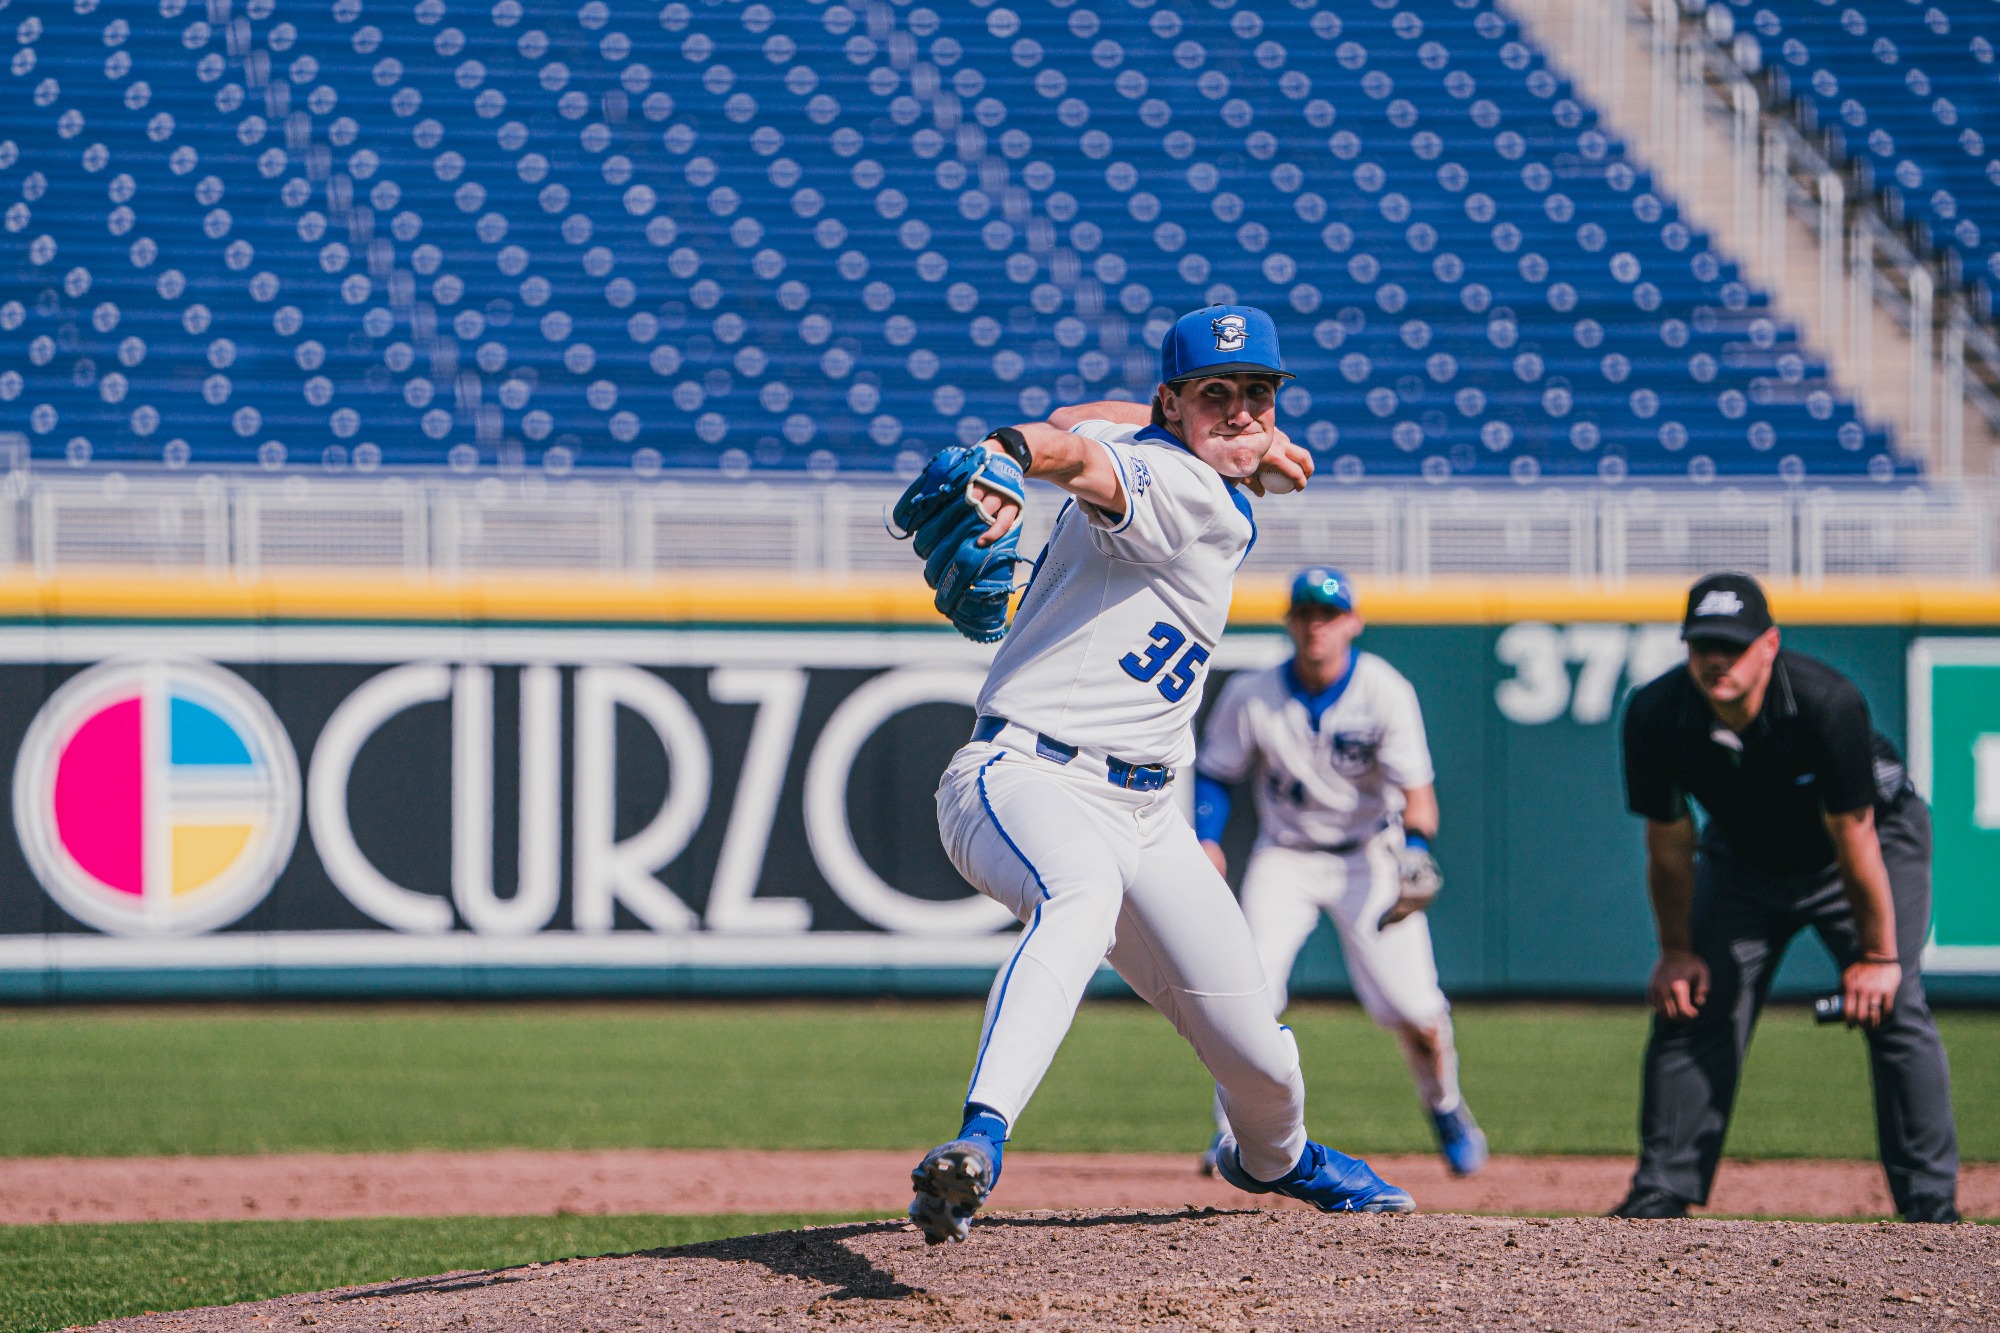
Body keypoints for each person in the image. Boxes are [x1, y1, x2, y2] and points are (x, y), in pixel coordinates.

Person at [906, 306, 1417, 1246]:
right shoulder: (1185, 491)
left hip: (1147, 815)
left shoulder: (1158, 438)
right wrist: (1018, 452)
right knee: (1080, 892)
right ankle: (980, 1141)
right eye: (1213, 395)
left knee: (1260, 1062)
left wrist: (1027, 443)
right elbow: (1080, 458)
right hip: (1022, 777)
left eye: (1255, 394)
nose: (1237, 410)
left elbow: (1083, 418)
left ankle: (1277, 1161)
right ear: (1173, 405)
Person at [1612, 572, 1960, 1223]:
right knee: (1694, 993)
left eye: (1733, 645)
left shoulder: (1826, 702)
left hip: (1866, 843)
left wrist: (1879, 955)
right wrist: (1677, 950)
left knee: (1896, 1001)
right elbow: (1667, 843)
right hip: (1745, 855)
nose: (1717, 658)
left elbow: (1856, 835)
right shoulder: (1657, 712)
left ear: (1768, 644)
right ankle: (1661, 1188)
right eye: (1703, 643)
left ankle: (1930, 1205)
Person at [1193, 567, 1488, 1178]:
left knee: (1417, 1012)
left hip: (1367, 855)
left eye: (1328, 615)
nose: (1316, 626)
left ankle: (1446, 1107)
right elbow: (1217, 772)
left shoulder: (1383, 690)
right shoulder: (1254, 692)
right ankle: (1235, 1134)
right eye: (1305, 614)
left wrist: (1413, 851)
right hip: (1287, 857)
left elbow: (1419, 794)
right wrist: (1207, 837)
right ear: (1291, 622)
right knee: (1249, 995)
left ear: (1352, 622)